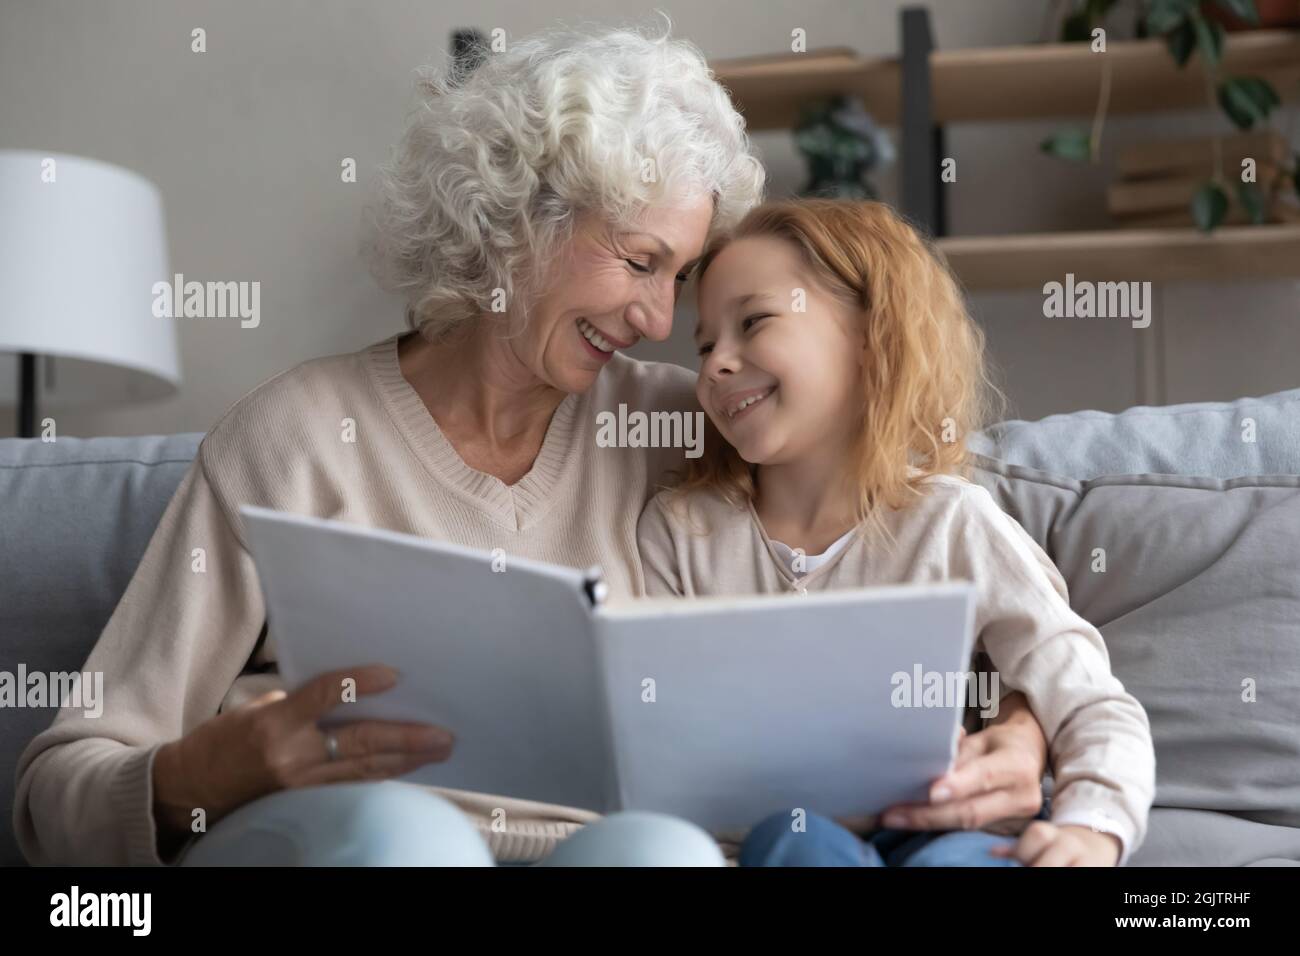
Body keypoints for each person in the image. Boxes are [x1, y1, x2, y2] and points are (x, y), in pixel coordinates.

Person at [15, 21, 1050, 867]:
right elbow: (58, 784)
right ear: (519, 218)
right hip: (348, 837)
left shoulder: (692, 426)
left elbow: (898, 539)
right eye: (639, 261)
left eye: (676, 279)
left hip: (600, 848)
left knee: (664, 857)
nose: (656, 319)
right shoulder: (290, 439)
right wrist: (208, 771)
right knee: (406, 835)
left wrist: (1022, 721)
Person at [637, 198, 1156, 866]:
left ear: (868, 332)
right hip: (788, 838)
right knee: (788, 839)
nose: (715, 364)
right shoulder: (682, 534)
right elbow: (660, 734)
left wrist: (1094, 829)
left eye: (755, 322)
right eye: (705, 343)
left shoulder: (950, 522)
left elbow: (1087, 696)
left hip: (946, 828)